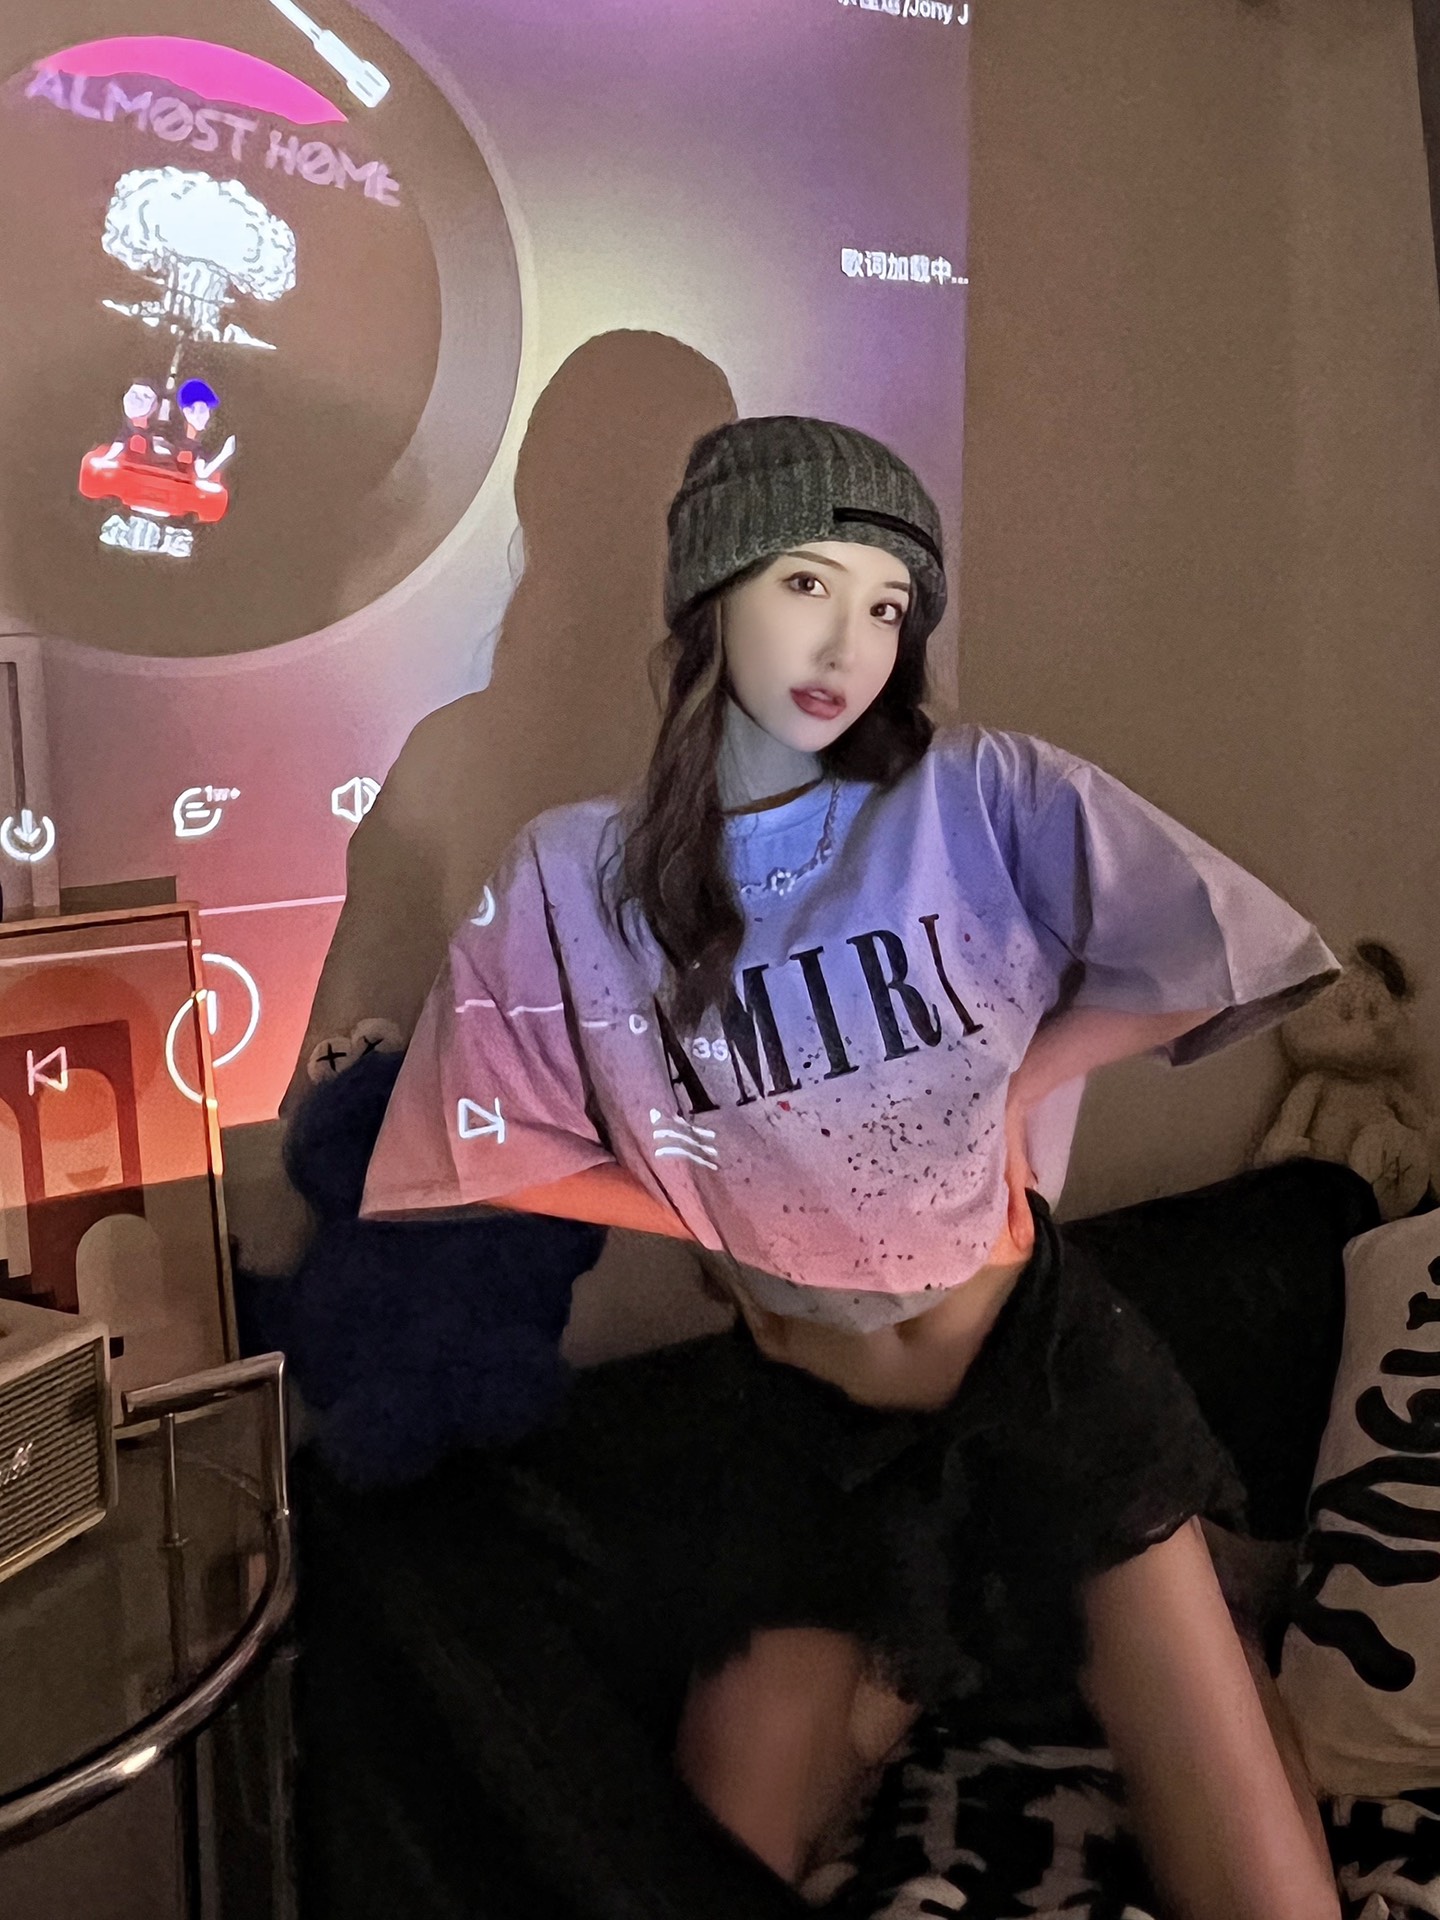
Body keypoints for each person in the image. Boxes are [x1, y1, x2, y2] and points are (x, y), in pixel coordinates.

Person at [357, 416, 1343, 1918]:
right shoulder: (575, 875)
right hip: (802, 1431)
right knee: (709, 1868)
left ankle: (1078, 1621)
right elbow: (472, 1133)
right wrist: (700, 1197)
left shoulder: (980, 796)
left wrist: (1023, 1082)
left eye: (888, 607)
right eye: (808, 583)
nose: (850, 644)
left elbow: (1213, 942)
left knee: (1274, 1895)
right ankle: (914, 1660)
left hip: (1044, 1380)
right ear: (712, 595)